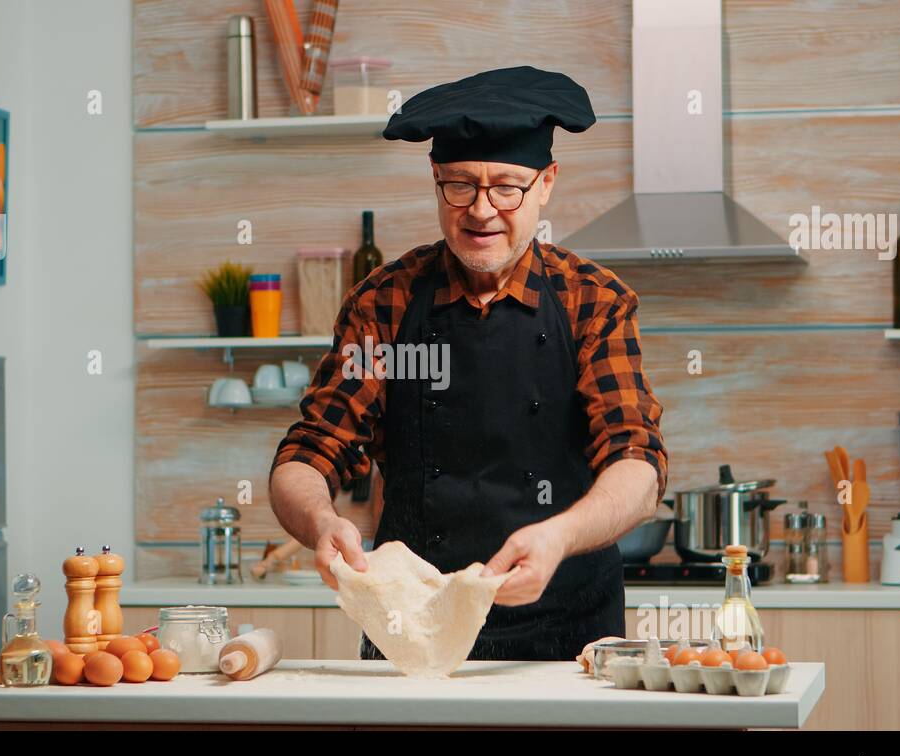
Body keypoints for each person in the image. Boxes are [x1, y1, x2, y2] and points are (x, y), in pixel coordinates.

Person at [269, 66, 667, 660]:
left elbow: (638, 463)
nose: (482, 211)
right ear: (436, 181)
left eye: (506, 187)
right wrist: (323, 523)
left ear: (546, 183)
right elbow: (308, 452)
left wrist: (557, 537)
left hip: (568, 642)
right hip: (410, 637)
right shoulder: (385, 302)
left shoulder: (594, 301)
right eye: (461, 185)